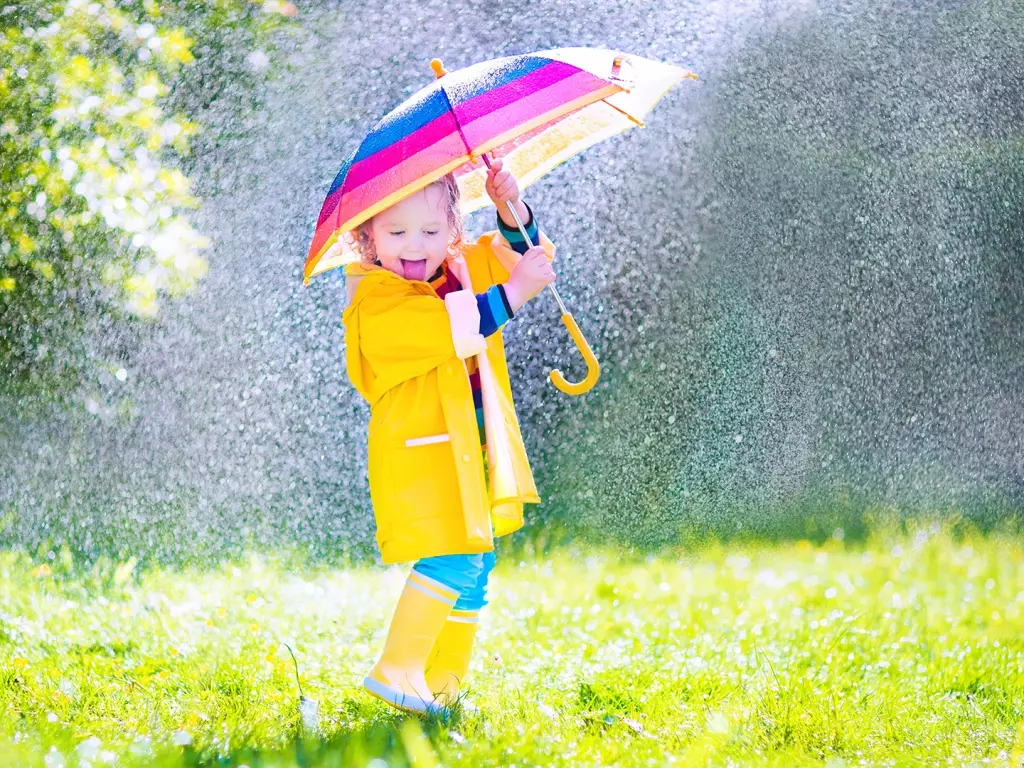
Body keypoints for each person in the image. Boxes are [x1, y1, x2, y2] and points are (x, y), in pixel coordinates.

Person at [341, 158, 556, 714]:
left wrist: (513, 207)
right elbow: (454, 330)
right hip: (425, 455)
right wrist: (513, 295)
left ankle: (443, 686)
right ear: (366, 237)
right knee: (453, 559)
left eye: (432, 231)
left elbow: (527, 257)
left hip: (475, 448)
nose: (415, 245)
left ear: (454, 232)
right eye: (396, 232)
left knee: (476, 565)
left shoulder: (459, 266)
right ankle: (397, 668)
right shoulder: (374, 298)